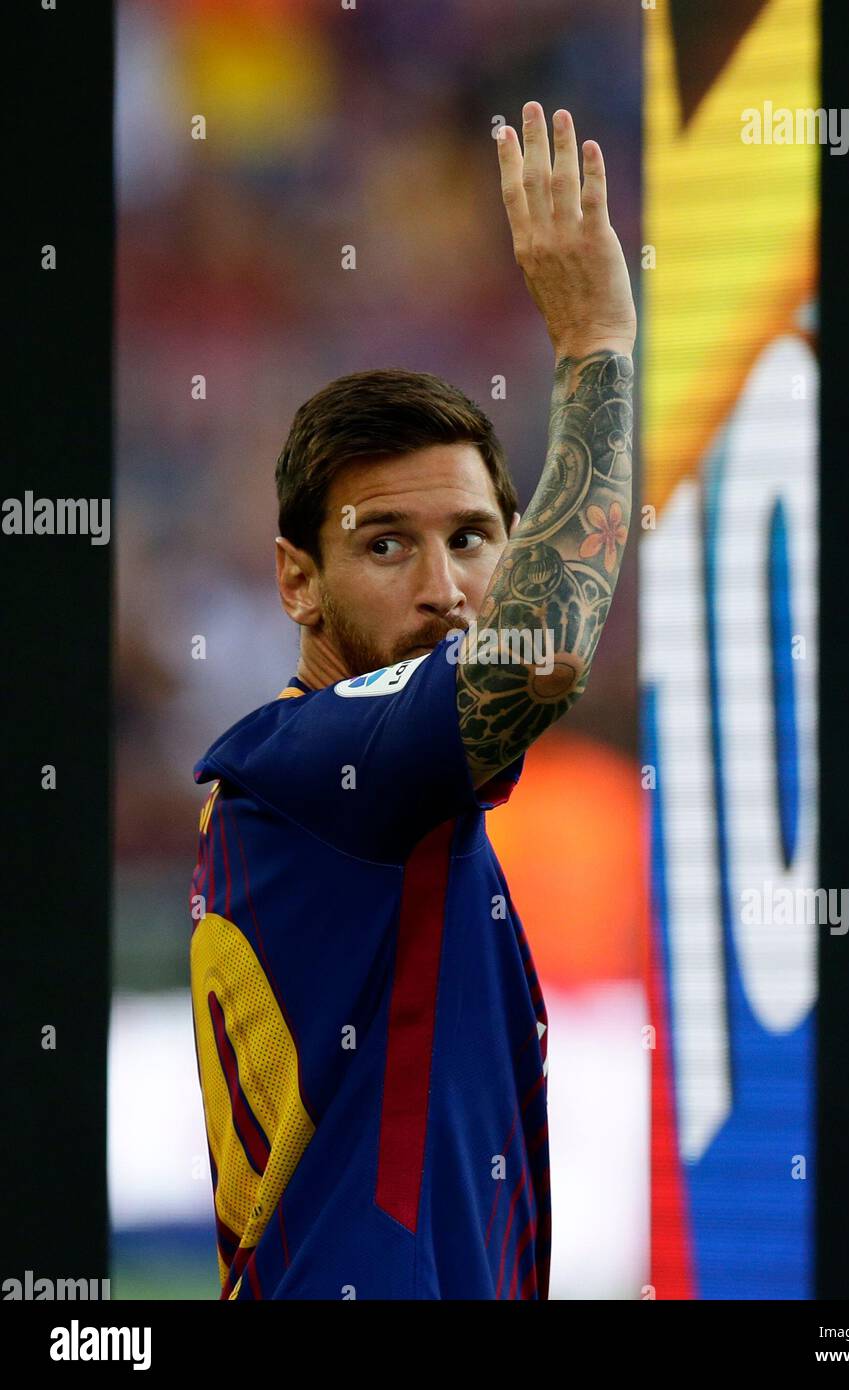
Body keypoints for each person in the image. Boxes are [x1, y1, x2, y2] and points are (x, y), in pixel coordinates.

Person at [188, 101, 635, 1300]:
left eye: (473, 539)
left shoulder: (395, 796)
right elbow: (543, 653)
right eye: (385, 546)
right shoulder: (317, 763)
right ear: (297, 579)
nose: (444, 589)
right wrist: (595, 346)